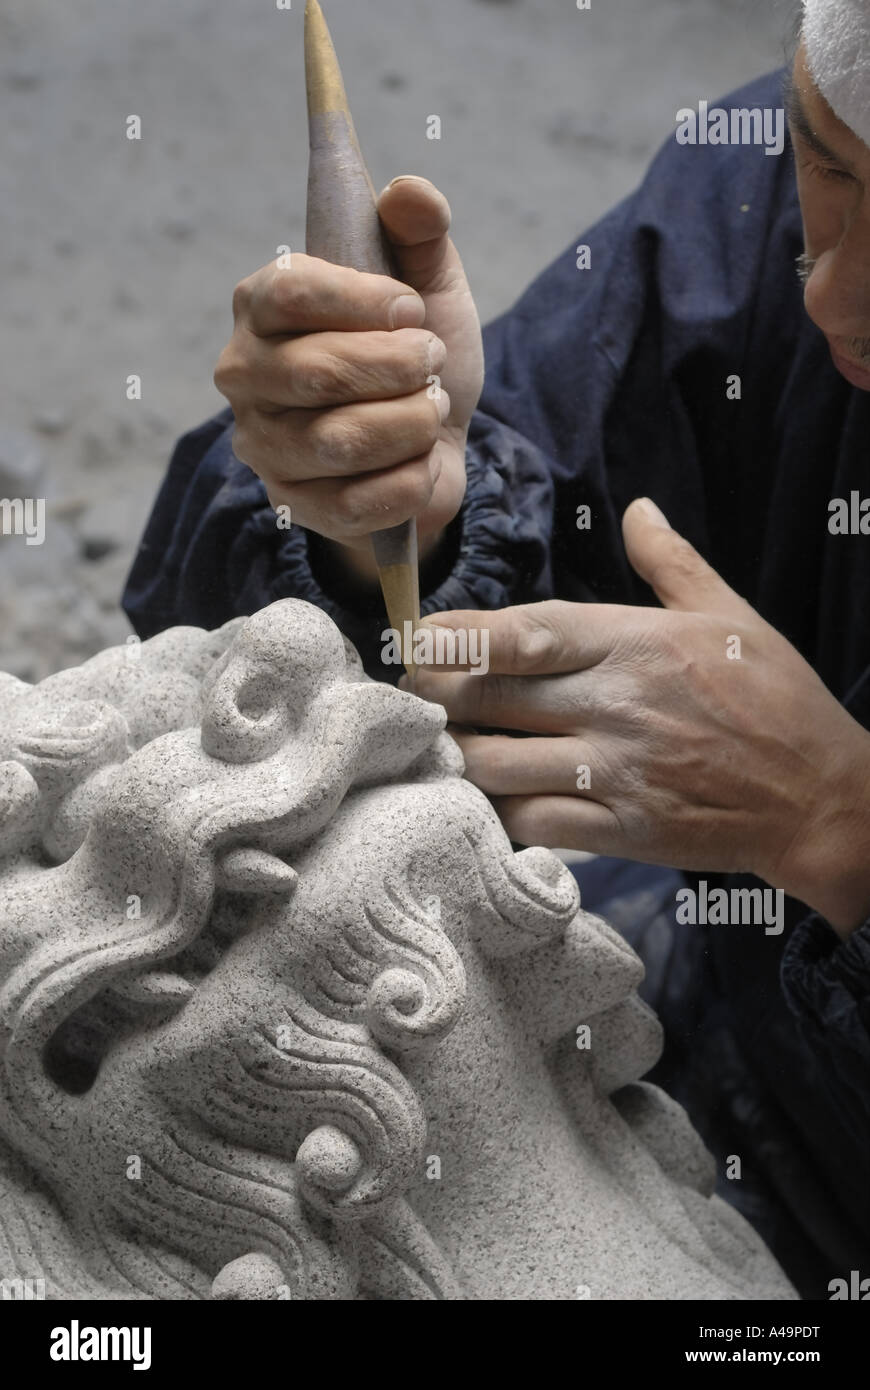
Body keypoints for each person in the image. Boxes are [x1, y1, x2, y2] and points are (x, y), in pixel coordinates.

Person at [123, 5, 870, 1298]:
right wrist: (389, 506)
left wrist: (842, 829)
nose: (832, 286)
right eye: (832, 164)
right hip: (723, 1041)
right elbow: (346, 648)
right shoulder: (744, 214)